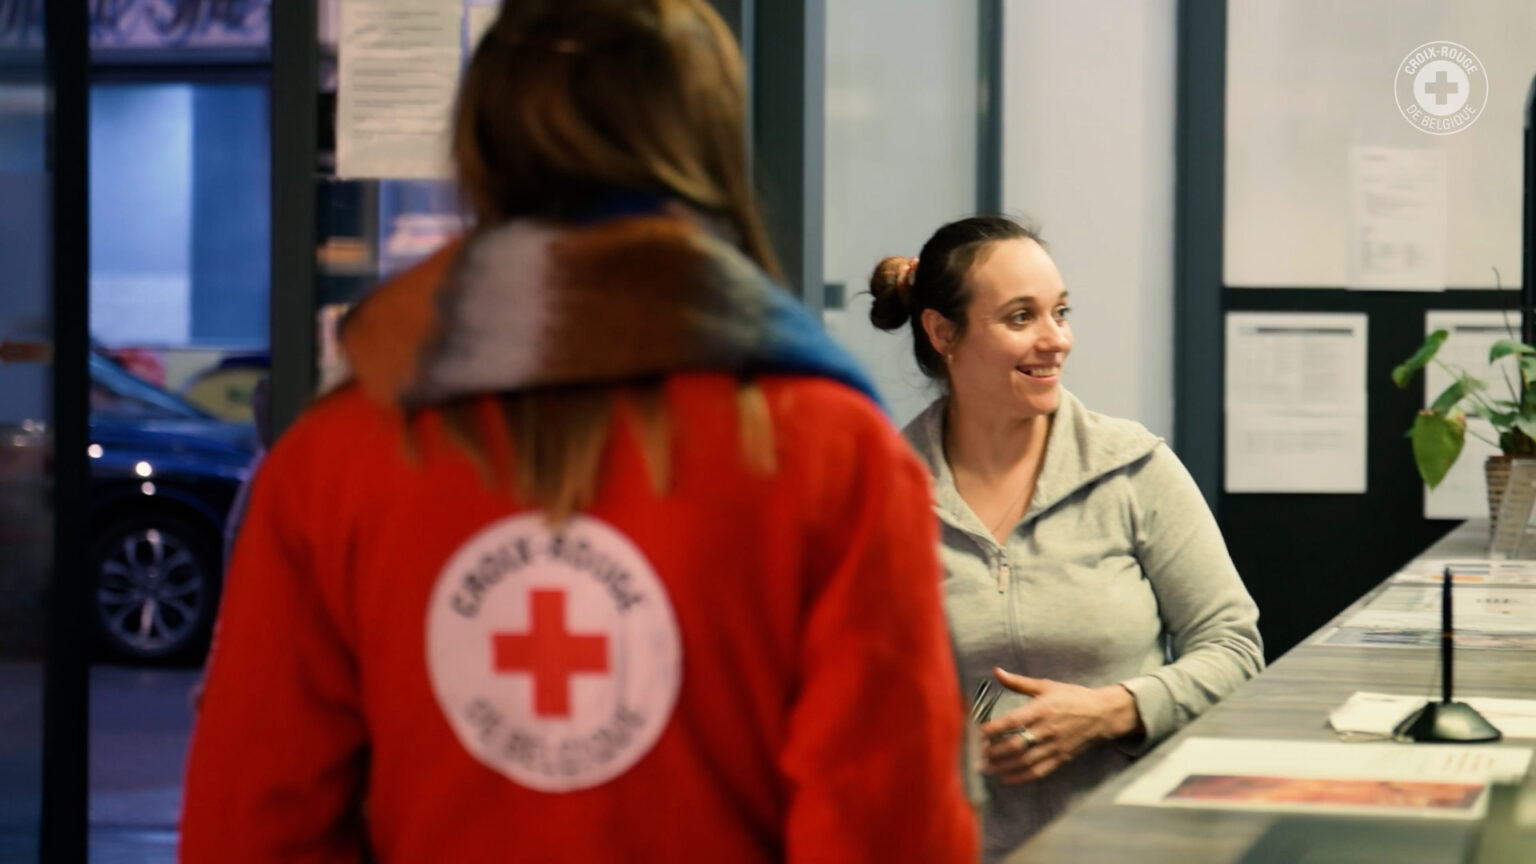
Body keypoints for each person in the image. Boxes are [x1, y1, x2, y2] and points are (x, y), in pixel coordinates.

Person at [180, 2, 977, 862]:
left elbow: (250, 827)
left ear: (482, 145)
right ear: (711, 146)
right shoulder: (833, 453)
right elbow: (886, 833)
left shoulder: (336, 456)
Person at [869, 215, 1263, 860]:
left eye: (1061, 312)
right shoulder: (880, 494)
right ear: (943, 332)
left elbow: (1235, 650)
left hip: (1134, 847)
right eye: (1021, 318)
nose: (1057, 340)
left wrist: (1114, 709)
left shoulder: (1134, 468)